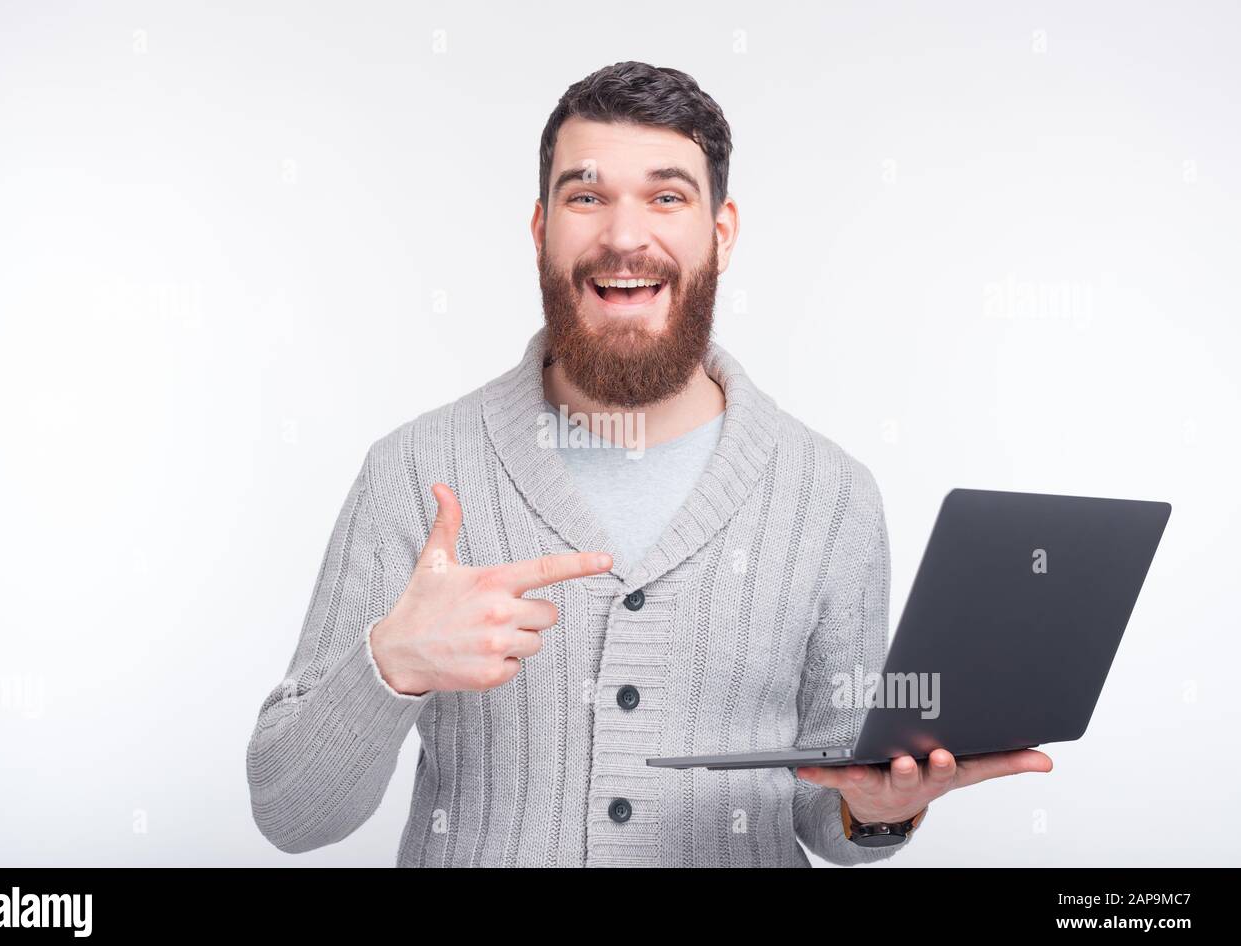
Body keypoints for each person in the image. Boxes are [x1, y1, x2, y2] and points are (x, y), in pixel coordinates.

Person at [245, 60, 1051, 867]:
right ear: (540, 230)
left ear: (721, 232)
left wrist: (875, 812)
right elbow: (290, 812)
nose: (624, 236)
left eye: (667, 196)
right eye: (586, 196)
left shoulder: (830, 494)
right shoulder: (414, 470)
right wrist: (393, 661)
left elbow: (825, 803)